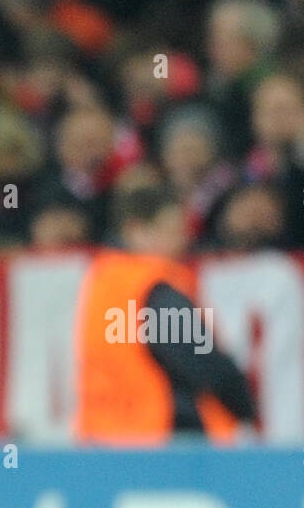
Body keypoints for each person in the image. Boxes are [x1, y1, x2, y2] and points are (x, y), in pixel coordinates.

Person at [74, 186, 256, 444]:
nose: (182, 241)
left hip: (104, 437)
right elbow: (199, 359)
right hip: (161, 441)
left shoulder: (103, 279)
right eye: (171, 231)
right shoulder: (154, 288)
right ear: (136, 229)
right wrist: (245, 404)